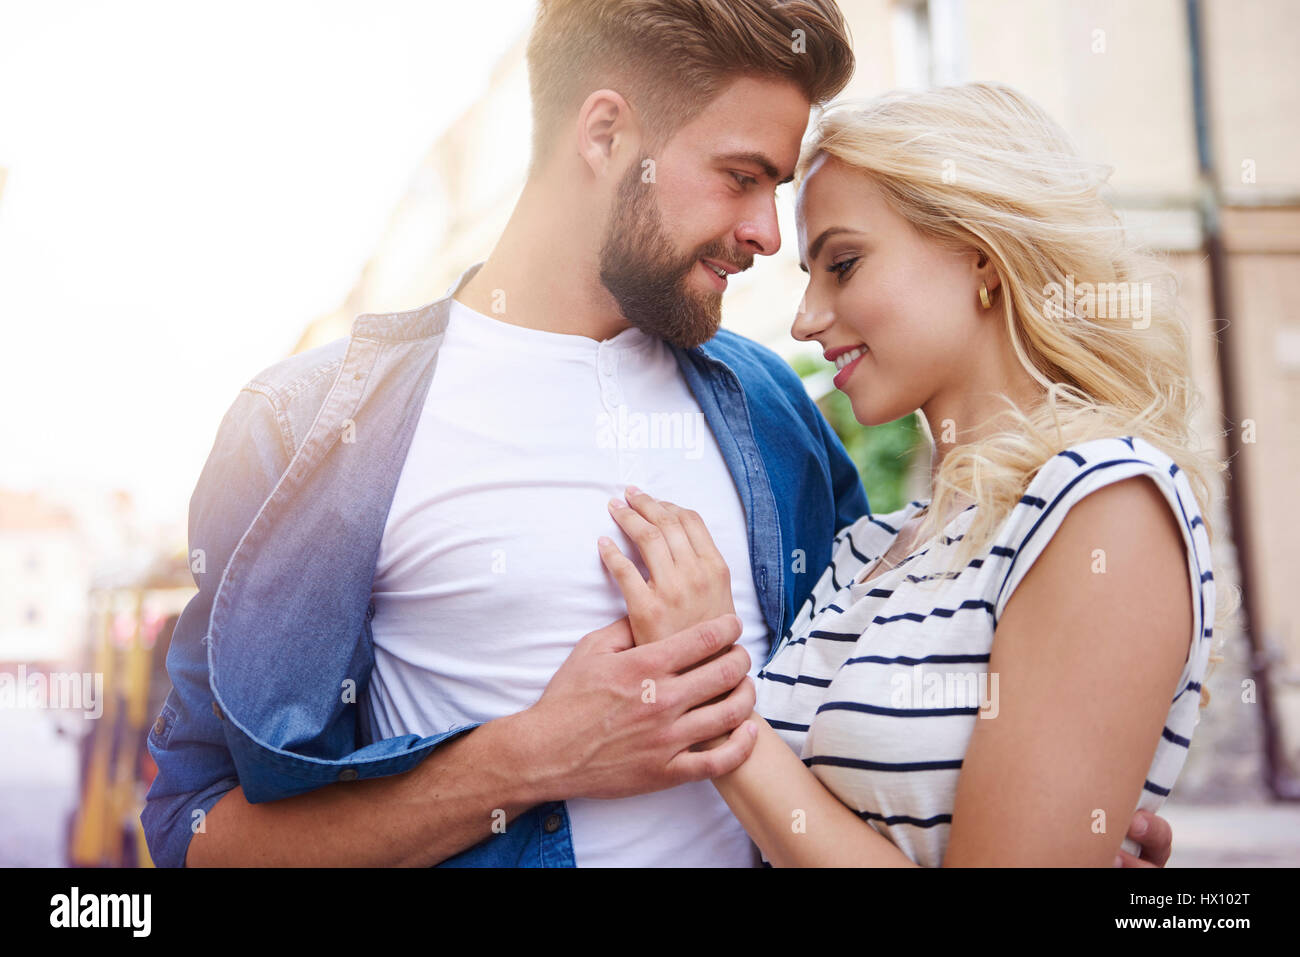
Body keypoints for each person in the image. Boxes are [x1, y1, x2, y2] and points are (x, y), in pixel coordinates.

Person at [142, 2, 1173, 868]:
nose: (768, 235)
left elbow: (864, 721)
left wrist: (1036, 802)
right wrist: (532, 759)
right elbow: (198, 834)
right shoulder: (308, 428)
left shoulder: (775, 412)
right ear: (604, 136)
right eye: (742, 176)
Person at [598, 82, 1226, 866]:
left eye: (844, 263)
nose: (805, 318)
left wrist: (715, 698)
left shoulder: (1104, 505)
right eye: (809, 273)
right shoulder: (873, 546)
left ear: (981, 259)